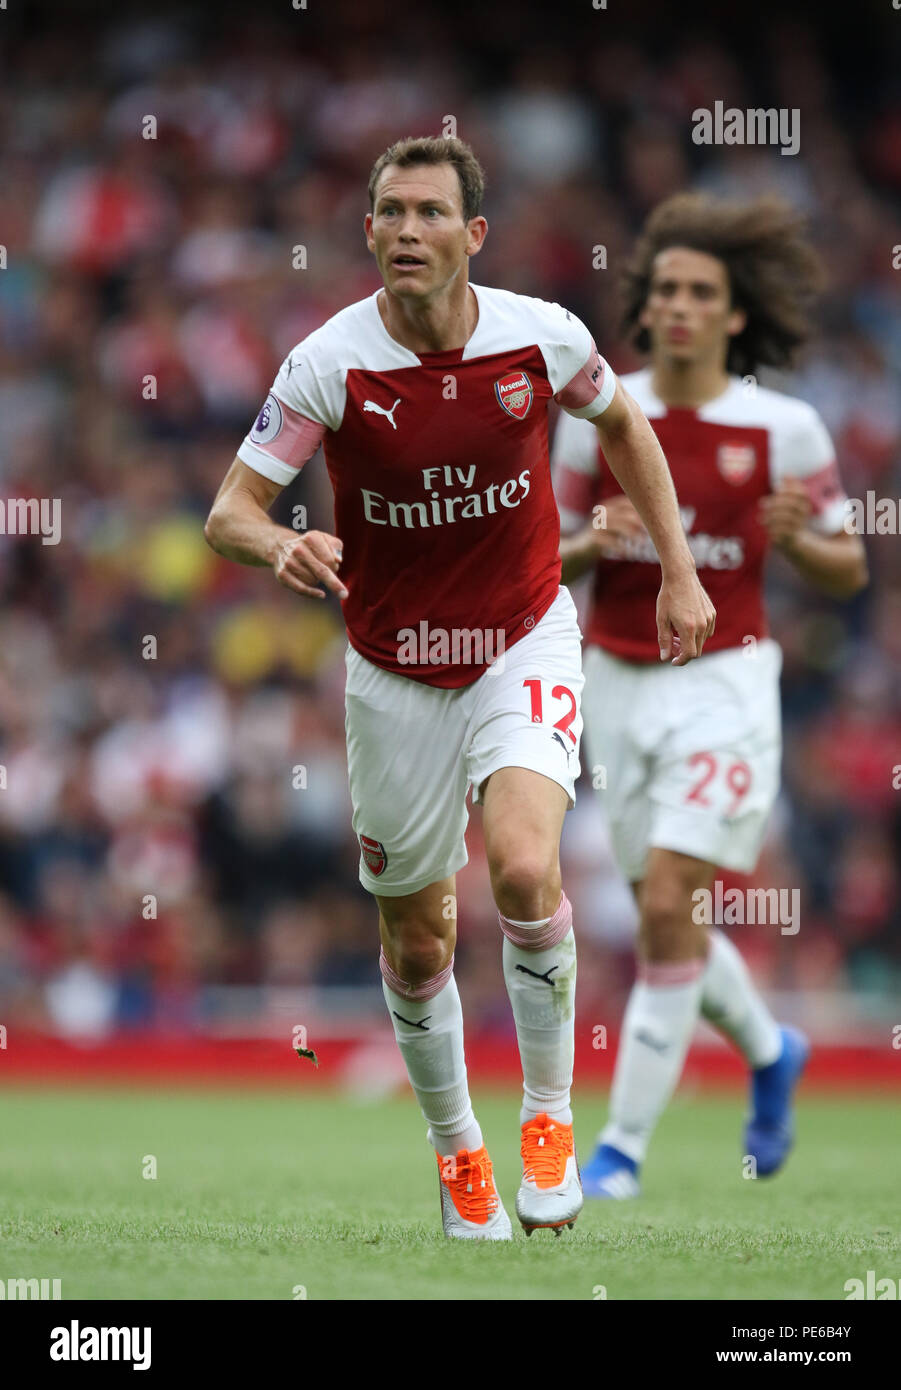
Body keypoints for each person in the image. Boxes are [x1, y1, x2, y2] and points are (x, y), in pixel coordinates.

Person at [205, 137, 714, 1238]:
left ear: (471, 236)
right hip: (392, 674)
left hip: (521, 641)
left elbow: (626, 428)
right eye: (387, 212)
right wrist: (279, 547)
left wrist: (677, 572)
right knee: (418, 942)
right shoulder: (328, 365)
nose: (402, 230)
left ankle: (544, 1122)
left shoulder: (543, 338)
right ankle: (458, 1153)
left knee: (528, 872)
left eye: (428, 213)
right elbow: (229, 511)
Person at [553, 192, 868, 1198]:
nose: (679, 305)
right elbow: (537, 560)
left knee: (664, 898)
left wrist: (801, 535)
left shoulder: (784, 428)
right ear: (644, 307)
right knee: (666, 917)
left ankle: (620, 1150)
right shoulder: (595, 418)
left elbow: (846, 565)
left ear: (735, 314)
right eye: (665, 290)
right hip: (613, 679)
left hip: (725, 679)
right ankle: (773, 1051)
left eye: (701, 292)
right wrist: (583, 542)